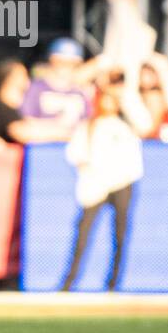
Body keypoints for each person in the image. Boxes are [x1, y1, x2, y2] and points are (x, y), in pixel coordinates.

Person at [61, 85, 143, 291]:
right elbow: (75, 154)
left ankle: (113, 283)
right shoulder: (88, 127)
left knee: (120, 234)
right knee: (83, 234)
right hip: (95, 184)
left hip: (122, 183)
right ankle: (69, 283)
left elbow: (145, 124)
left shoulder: (126, 127)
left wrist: (127, 97)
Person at [19, 38, 91, 141]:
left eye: (72, 64)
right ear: (51, 61)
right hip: (44, 149)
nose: (66, 67)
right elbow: (27, 122)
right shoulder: (36, 88)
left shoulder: (80, 92)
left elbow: (86, 123)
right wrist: (58, 129)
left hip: (74, 150)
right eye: (61, 62)